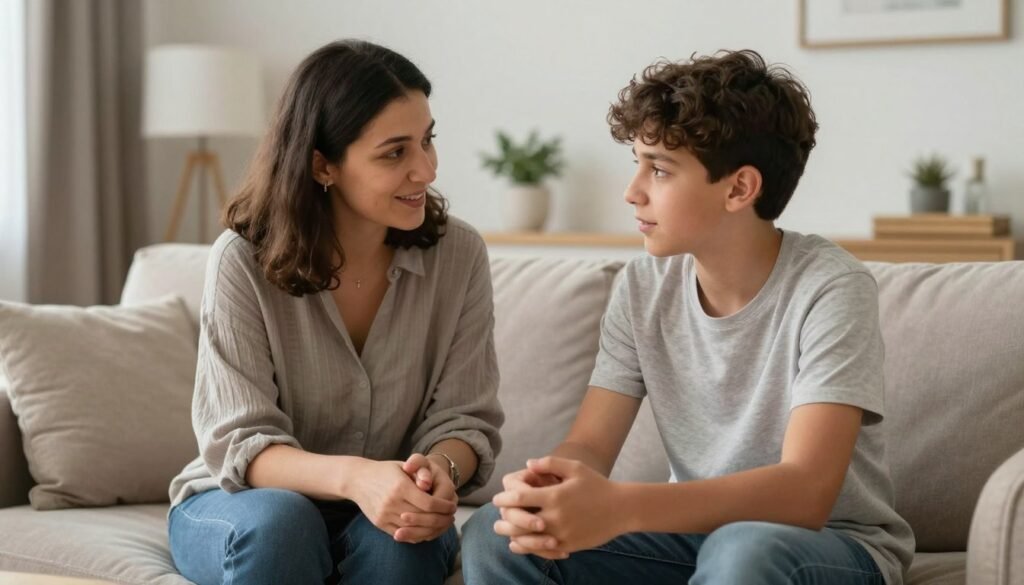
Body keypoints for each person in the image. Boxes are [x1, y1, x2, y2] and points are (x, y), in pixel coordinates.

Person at [462, 49, 914, 585]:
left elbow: (805, 492)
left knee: (744, 550)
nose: (632, 191)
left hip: (826, 546)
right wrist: (550, 489)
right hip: (695, 539)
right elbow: (590, 445)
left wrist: (622, 507)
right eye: (637, 163)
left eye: (659, 168)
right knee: (499, 532)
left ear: (739, 188)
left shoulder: (831, 288)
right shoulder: (642, 289)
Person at [166, 39, 503, 585]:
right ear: (323, 164)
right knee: (282, 523)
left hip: (387, 508)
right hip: (243, 502)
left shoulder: (459, 255)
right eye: (395, 152)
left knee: (405, 545)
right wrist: (355, 478)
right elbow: (240, 442)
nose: (425, 170)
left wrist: (438, 470)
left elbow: (465, 417)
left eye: (427, 141)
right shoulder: (241, 260)